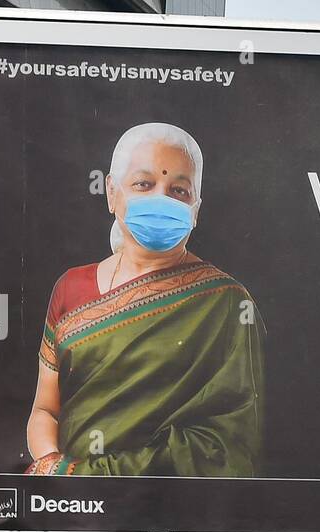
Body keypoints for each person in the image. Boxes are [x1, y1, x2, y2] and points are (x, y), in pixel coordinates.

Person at [25, 122, 265, 478]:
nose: (161, 199)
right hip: (72, 511)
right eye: (144, 184)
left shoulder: (226, 303)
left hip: (172, 515)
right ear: (111, 192)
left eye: (179, 191)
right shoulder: (70, 288)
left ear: (196, 209)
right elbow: (45, 410)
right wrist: (54, 470)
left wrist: (95, 478)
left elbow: (228, 446)